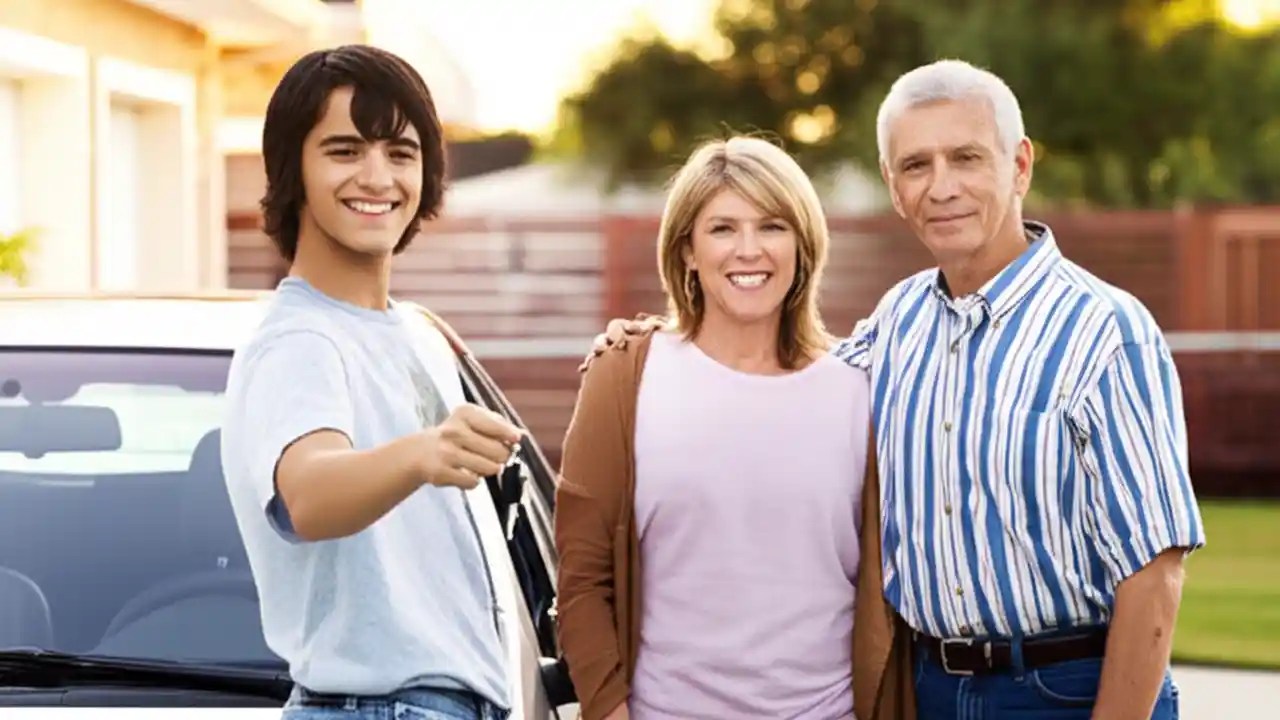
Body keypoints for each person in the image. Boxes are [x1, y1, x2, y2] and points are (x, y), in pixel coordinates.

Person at [588, 59, 1205, 719]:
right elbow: (781, 368)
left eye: (965, 158)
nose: (941, 187)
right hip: (929, 689)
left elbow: (1154, 570)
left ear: (1020, 165)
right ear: (893, 183)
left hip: (1067, 689)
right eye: (915, 166)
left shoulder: (1105, 331)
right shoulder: (897, 321)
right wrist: (661, 338)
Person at [554, 134, 910, 720]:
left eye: (772, 226)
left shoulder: (862, 385)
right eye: (722, 229)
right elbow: (583, 576)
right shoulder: (626, 375)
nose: (749, 250)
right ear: (687, 251)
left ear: (802, 245)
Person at [219, 45, 522, 720]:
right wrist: (422, 454)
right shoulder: (301, 341)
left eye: (401, 152)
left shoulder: (413, 333)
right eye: (345, 150)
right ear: (291, 167)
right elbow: (309, 494)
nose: (378, 176)